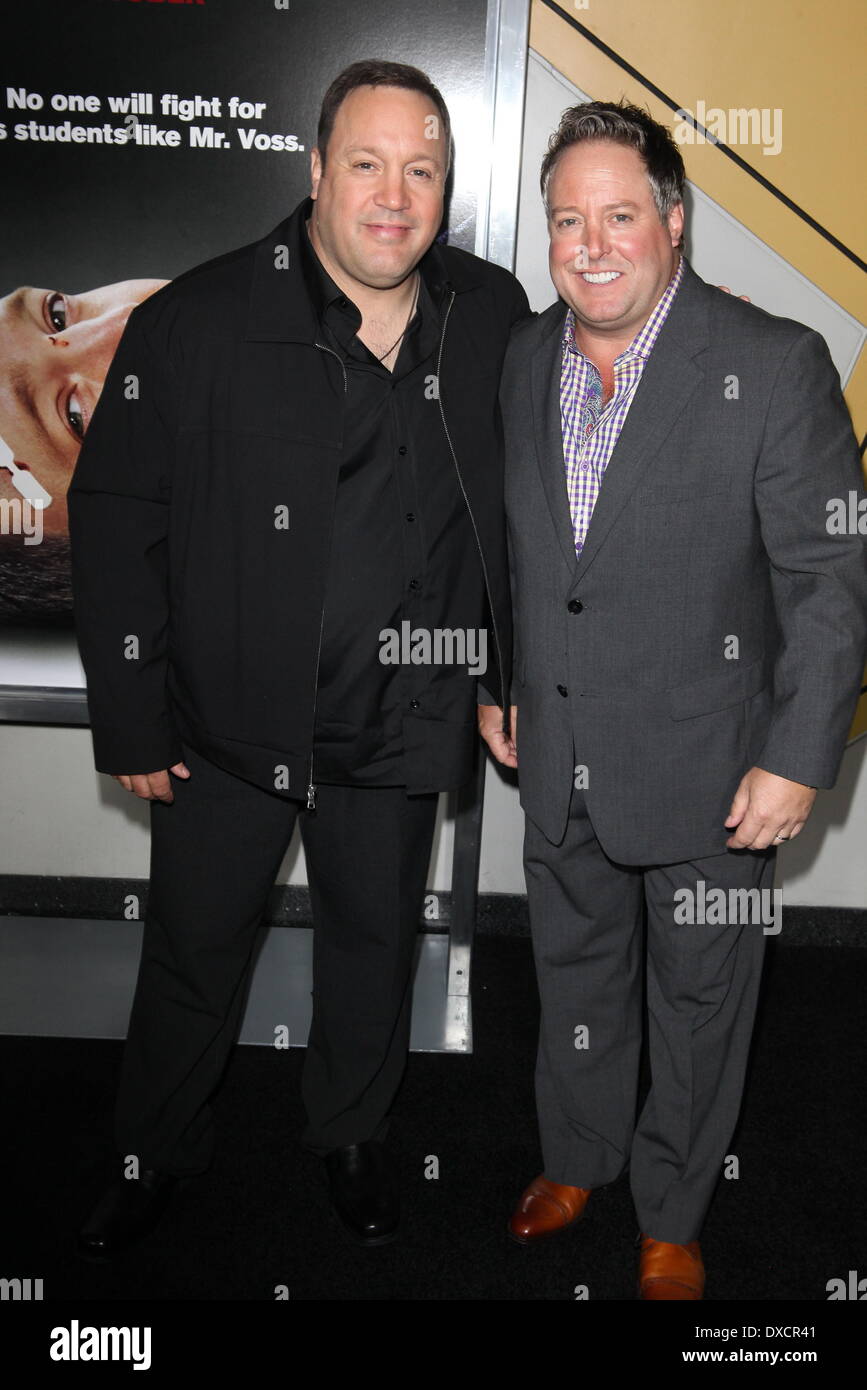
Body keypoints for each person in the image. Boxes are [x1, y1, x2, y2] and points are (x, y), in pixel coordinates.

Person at [68, 58, 529, 1257]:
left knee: (375, 948)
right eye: (367, 163)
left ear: (447, 188)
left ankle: (352, 1134)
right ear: (317, 170)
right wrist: (131, 713)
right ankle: (153, 1152)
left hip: (404, 710)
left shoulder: (491, 315)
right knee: (193, 954)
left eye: (421, 170)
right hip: (226, 725)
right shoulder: (197, 320)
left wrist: (508, 673)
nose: (394, 195)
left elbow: (523, 510)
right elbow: (116, 517)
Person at [478, 100, 867, 1299]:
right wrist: (501, 680)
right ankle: (578, 1156)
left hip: (714, 770)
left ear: (675, 221)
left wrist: (798, 756)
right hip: (560, 749)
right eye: (567, 221)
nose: (591, 245)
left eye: (619, 216)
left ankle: (674, 1212)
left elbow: (830, 580)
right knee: (575, 972)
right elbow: (517, 550)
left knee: (700, 1003)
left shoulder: (775, 362)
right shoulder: (524, 357)